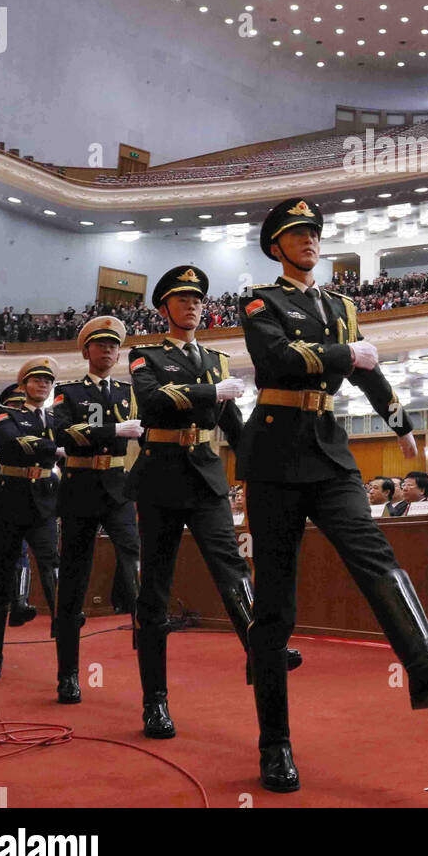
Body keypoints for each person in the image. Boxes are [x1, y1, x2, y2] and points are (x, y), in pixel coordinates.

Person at [238, 198, 428, 793]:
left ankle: (423, 667)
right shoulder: (259, 301)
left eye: (314, 234)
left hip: (326, 449)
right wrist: (346, 353)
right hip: (273, 455)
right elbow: (278, 357)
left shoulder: (342, 306)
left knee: (372, 553)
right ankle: (275, 744)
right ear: (276, 246)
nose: (309, 241)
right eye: (297, 234)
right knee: (276, 606)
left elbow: (368, 372)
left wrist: (399, 422)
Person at [127, 265, 299, 741]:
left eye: (197, 301)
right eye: (182, 301)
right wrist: (208, 391)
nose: (192, 307)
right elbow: (152, 401)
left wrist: (260, 466)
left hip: (205, 477)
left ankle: (258, 645)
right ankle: (155, 701)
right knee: (155, 592)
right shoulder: (146, 355)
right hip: (160, 477)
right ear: (165, 308)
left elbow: (235, 426)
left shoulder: (217, 359)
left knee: (233, 569)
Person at [52, 316, 143, 705]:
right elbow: (63, 433)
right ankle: (69, 674)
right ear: (86, 351)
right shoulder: (68, 392)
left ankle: (137, 613)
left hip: (119, 487)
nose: (108, 351)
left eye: (113, 346)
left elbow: (148, 432)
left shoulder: (128, 392)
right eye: (100, 345)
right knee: (73, 579)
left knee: (133, 553)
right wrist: (111, 432)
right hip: (80, 488)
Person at [0, 358, 61, 683]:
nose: (42, 385)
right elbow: (13, 442)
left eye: (47, 381)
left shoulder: (57, 418)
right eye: (36, 380)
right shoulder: (7, 414)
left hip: (44, 501)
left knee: (53, 565)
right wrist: (57, 447)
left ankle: (64, 628)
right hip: (9, 502)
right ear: (23, 385)